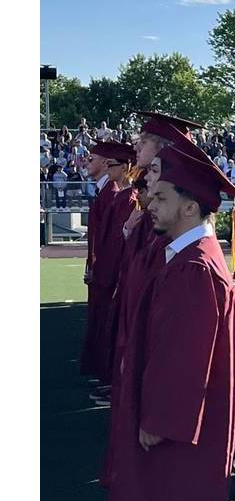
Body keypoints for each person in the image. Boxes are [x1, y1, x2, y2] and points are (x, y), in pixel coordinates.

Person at [101, 143, 235, 501]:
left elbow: (186, 354)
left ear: (188, 206)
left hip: (181, 422)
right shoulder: (185, 256)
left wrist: (160, 418)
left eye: (160, 197)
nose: (150, 203)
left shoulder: (197, 266)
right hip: (180, 413)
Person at [80, 142, 138, 390]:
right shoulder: (111, 195)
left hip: (112, 271)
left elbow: (116, 238)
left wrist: (102, 268)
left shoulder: (120, 196)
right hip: (103, 267)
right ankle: (103, 373)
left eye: (93, 159)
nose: (87, 162)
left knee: (110, 322)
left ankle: (109, 376)